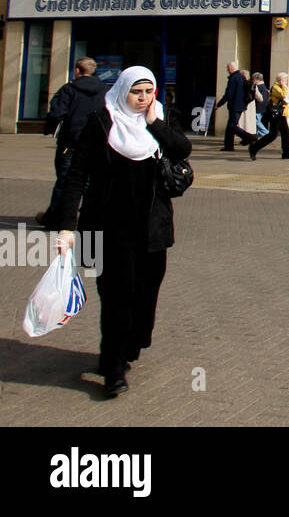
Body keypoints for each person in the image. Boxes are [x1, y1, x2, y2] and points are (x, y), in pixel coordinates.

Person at [53, 66, 191, 397]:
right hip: (108, 227)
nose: (142, 99)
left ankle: (129, 346)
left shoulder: (160, 120)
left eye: (148, 92)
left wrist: (154, 123)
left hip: (151, 228)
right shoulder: (101, 123)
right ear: (123, 91)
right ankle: (112, 368)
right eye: (136, 92)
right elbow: (76, 177)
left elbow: (182, 150)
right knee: (116, 296)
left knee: (145, 298)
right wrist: (67, 227)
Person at [35, 57, 107, 228]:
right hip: (96, 144)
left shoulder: (68, 89)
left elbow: (56, 113)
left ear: (76, 71)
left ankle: (56, 219)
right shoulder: (105, 91)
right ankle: (88, 219)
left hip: (71, 143)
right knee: (91, 183)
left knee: (65, 182)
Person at [250, 73, 289, 160]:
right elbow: (283, 95)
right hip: (275, 114)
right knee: (272, 135)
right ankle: (254, 148)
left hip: (281, 113)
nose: (287, 82)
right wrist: (284, 86)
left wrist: (284, 86)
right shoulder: (276, 87)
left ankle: (286, 153)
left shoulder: (281, 87)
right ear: (281, 80)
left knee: (285, 133)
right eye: (285, 80)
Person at [216, 61, 255, 150]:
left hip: (235, 105)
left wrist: (219, 104)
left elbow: (229, 94)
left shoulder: (233, 78)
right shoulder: (241, 77)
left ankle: (249, 137)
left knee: (232, 126)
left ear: (230, 69)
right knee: (230, 127)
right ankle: (229, 146)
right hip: (241, 105)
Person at [250, 71, 271, 137]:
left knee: (256, 121)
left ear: (256, 79)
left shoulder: (258, 87)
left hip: (259, 107)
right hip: (263, 107)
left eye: (253, 79)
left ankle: (266, 133)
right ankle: (256, 135)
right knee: (255, 122)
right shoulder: (264, 86)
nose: (252, 80)